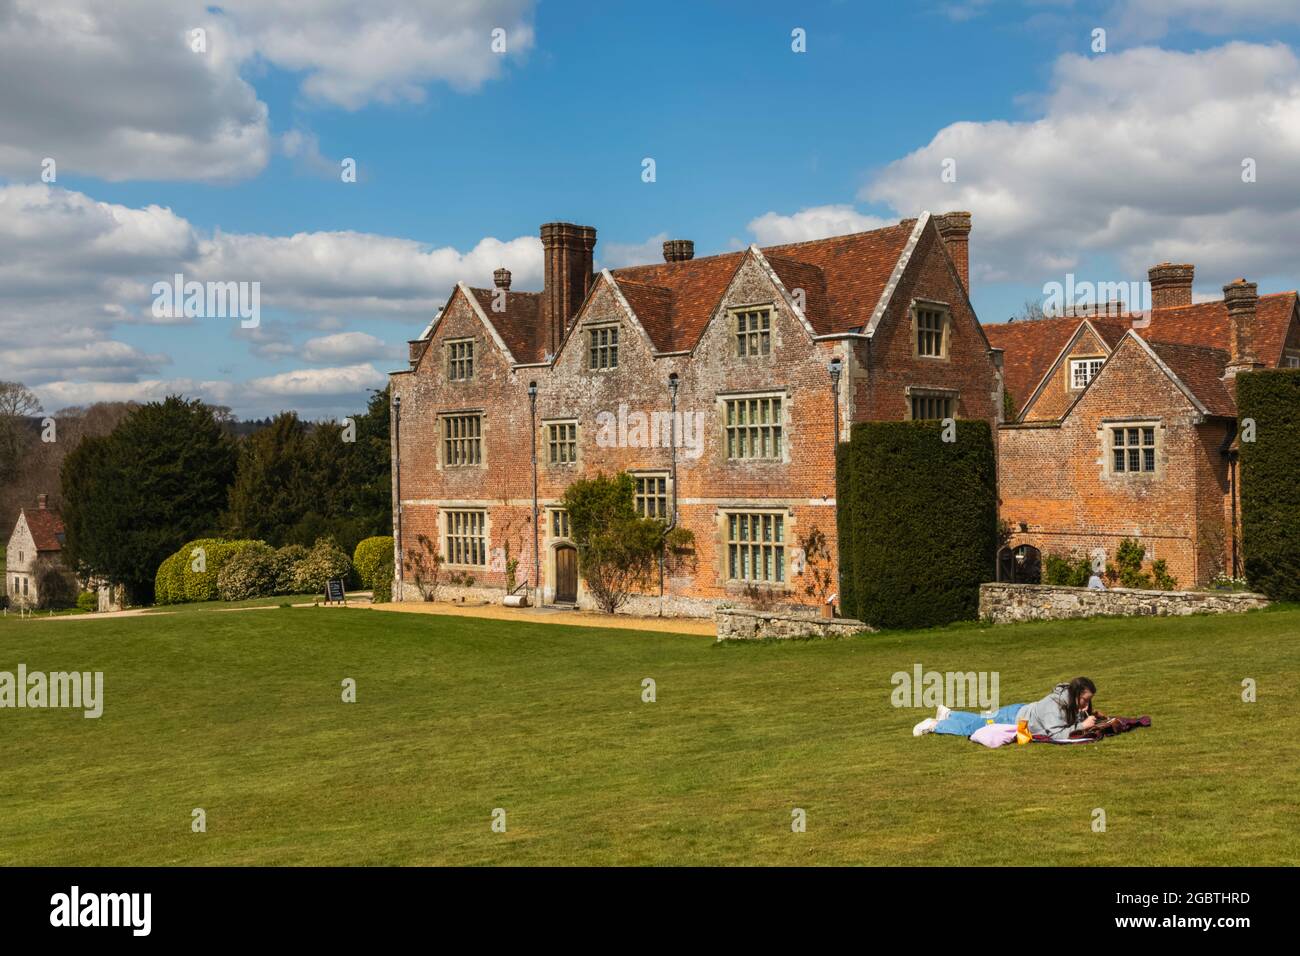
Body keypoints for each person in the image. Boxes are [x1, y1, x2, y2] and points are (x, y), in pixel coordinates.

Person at [913, 677, 1098, 742]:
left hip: (1018, 712)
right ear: (1075, 694)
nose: (1086, 705)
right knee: (974, 728)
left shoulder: (1067, 701)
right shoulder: (1054, 706)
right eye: (1085, 700)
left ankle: (949, 714)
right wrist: (1081, 726)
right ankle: (934, 725)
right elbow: (1056, 734)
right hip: (1012, 720)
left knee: (978, 720)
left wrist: (1085, 716)